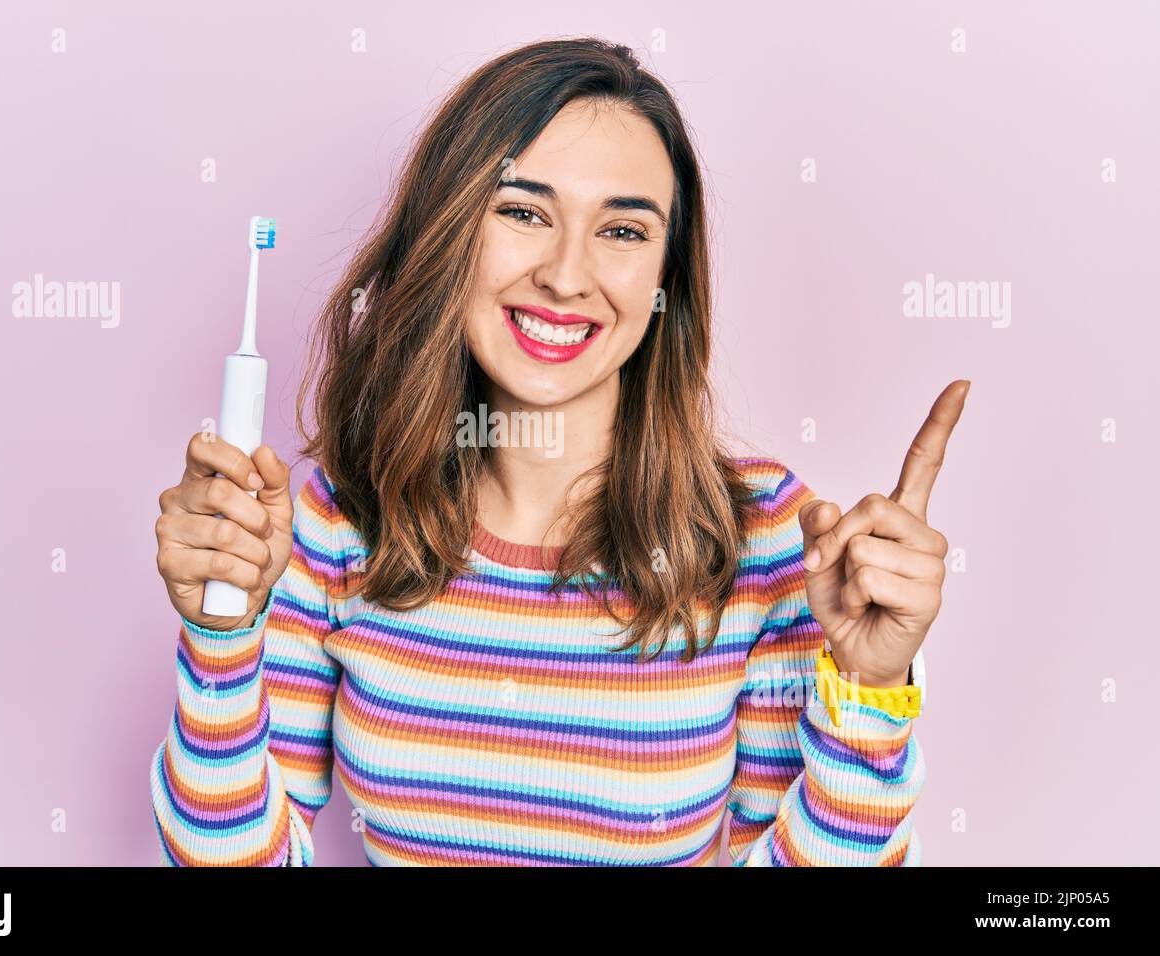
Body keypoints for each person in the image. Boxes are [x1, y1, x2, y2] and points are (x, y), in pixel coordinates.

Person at [150, 37, 967, 866]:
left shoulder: (760, 540)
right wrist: (220, 632)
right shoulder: (336, 522)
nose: (568, 276)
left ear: (664, 283)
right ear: (448, 232)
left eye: (621, 229)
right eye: (523, 211)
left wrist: (868, 695)